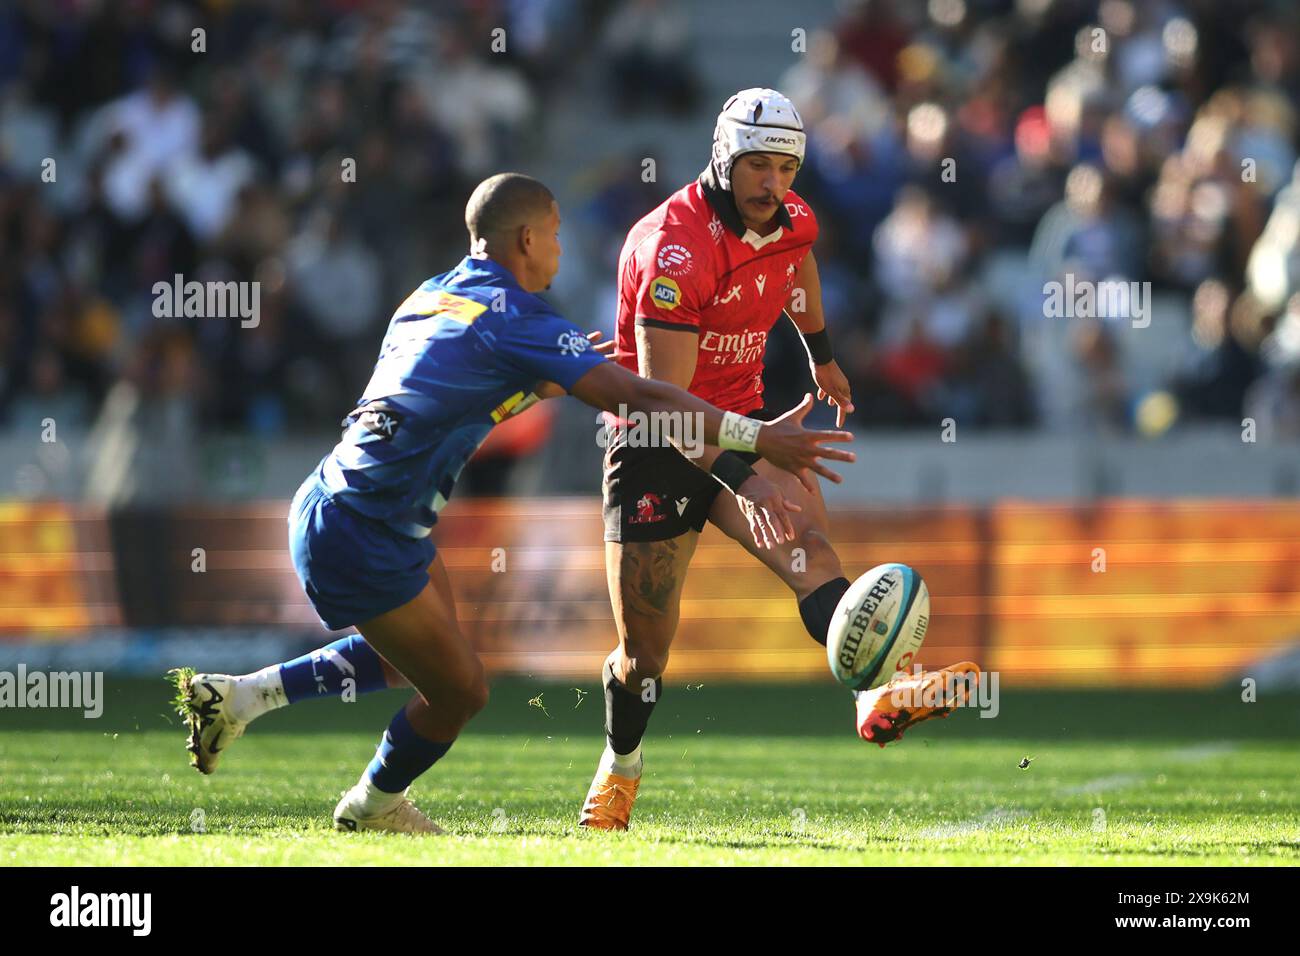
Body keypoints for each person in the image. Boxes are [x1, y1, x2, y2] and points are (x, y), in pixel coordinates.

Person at [170, 172, 855, 833]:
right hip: (362, 526)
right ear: (526, 240)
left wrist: (540, 380)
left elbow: (449, 386)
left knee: (409, 660)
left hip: (344, 503)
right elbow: (643, 397)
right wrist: (756, 436)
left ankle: (241, 697)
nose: (561, 248)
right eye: (555, 234)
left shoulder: (432, 295)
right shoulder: (521, 320)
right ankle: (373, 802)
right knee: (462, 690)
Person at [579, 90, 977, 830]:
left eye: (786, 168)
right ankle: (621, 766)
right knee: (644, 656)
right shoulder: (673, 248)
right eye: (758, 165)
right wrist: (746, 465)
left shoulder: (792, 218)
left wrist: (821, 356)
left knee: (811, 550)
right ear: (724, 160)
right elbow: (664, 408)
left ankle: (875, 693)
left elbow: (800, 269)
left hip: (744, 427)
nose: (773, 184)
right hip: (654, 445)